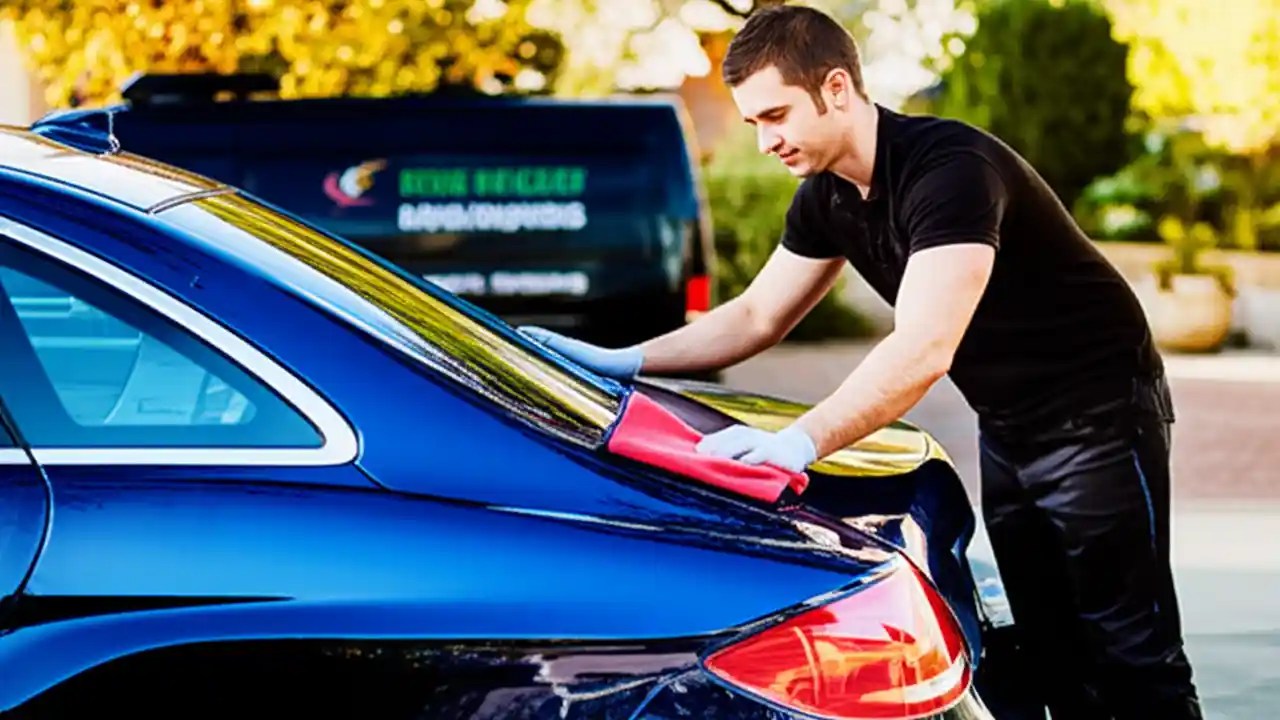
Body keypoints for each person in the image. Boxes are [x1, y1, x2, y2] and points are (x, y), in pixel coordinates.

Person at [520, 5, 1201, 719]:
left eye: (778, 115)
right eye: (755, 123)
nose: (767, 141)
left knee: (1132, 653)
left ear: (837, 88)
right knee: (1049, 652)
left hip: (1101, 416)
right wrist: (619, 360)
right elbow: (757, 316)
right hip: (1010, 428)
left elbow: (923, 348)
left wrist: (797, 442)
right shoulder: (827, 197)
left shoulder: (952, 172)